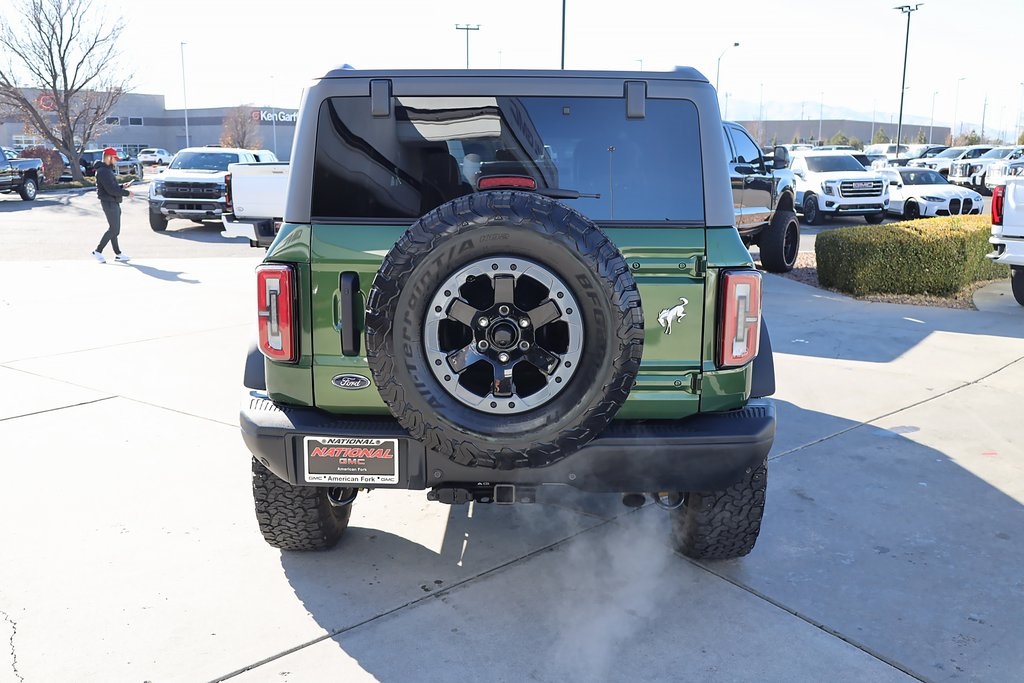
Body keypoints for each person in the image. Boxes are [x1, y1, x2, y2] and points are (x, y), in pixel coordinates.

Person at [91, 147, 135, 263]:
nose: (116, 161)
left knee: (114, 229)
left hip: (112, 202)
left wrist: (122, 186)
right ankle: (97, 251)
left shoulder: (106, 170)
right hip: (109, 202)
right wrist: (127, 193)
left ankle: (118, 253)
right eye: (114, 158)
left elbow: (112, 187)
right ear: (108, 158)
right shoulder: (103, 171)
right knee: (114, 230)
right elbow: (111, 190)